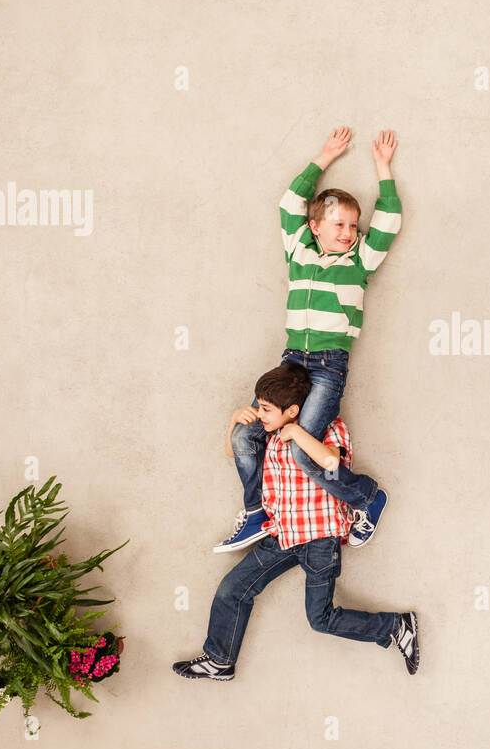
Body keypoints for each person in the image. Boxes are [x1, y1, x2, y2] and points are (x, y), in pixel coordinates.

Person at [218, 127, 401, 551]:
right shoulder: (299, 250)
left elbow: (389, 221)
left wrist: (383, 170)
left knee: (303, 451)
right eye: (338, 224)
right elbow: (289, 205)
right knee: (246, 435)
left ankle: (368, 498)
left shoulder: (358, 260)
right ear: (315, 227)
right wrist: (324, 157)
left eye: (353, 226)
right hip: (290, 363)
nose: (347, 233)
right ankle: (257, 512)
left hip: (327, 367)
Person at [175, 363, 419, 680]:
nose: (259, 414)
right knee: (231, 589)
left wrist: (299, 434)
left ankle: (397, 626)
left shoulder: (329, 429)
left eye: (265, 408)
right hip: (282, 536)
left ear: (291, 410)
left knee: (320, 618)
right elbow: (233, 452)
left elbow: (331, 463)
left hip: (320, 539)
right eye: (258, 407)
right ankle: (220, 660)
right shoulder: (271, 436)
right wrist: (234, 422)